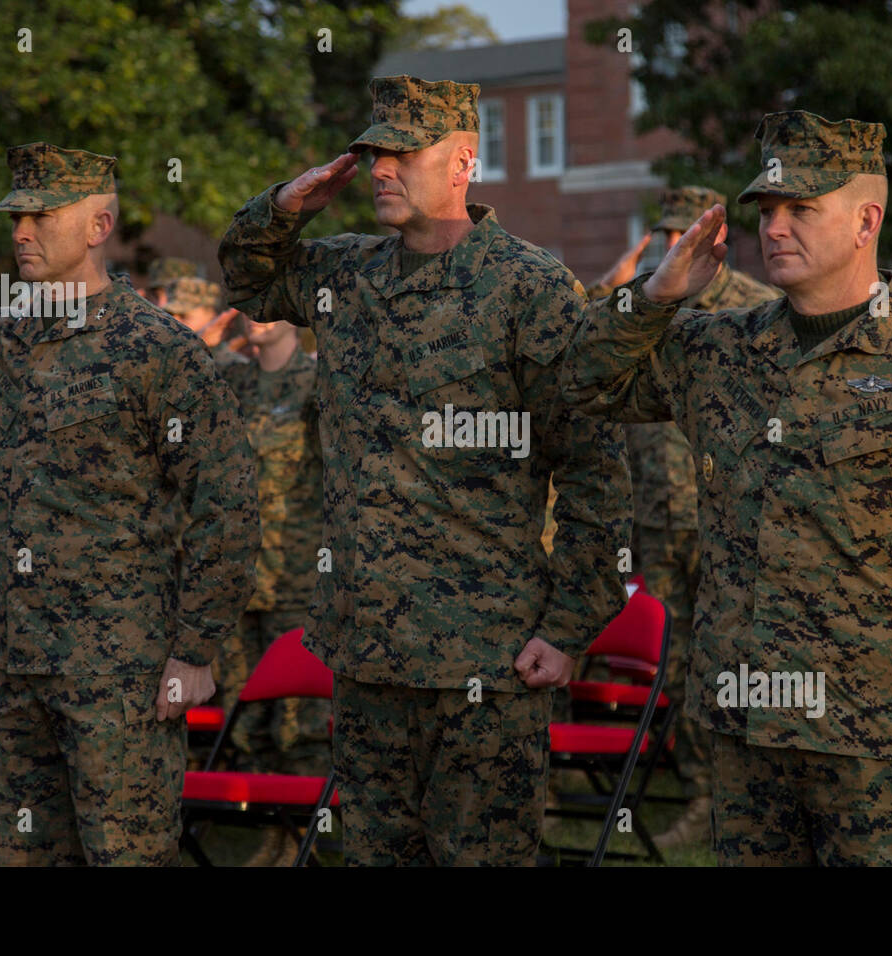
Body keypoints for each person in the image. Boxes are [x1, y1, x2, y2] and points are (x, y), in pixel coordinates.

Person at [560, 109, 892, 865]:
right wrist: (658, 297)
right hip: (747, 736)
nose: (776, 227)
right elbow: (583, 381)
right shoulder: (717, 349)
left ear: (866, 220)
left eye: (802, 208)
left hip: (884, 745)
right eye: (767, 209)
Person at [220, 74, 631, 865]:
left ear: (463, 160)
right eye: (373, 153)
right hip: (368, 649)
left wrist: (570, 624)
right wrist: (287, 205)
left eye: (404, 153)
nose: (381, 170)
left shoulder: (529, 285)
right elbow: (246, 276)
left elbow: (592, 465)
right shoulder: (345, 274)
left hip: (486, 656)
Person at [0, 143, 261, 865]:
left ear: (100, 224)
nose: (21, 231)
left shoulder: (154, 348)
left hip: (121, 671)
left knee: (125, 857)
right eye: (15, 215)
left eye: (42, 215)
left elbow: (224, 498)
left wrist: (196, 647)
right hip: (16, 663)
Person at [589, 185, 781, 848]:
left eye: (687, 233)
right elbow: (582, 354)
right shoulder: (647, 304)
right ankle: (700, 793)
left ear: (717, 237)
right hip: (660, 521)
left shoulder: (759, 309)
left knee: (738, 660)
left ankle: (750, 797)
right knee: (676, 666)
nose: (676, 245)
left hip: (731, 525)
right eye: (667, 233)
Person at [216, 314, 326, 783]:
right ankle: (265, 827)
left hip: (296, 573)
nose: (256, 316)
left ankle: (306, 827)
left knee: (300, 720)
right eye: (249, 304)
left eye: (270, 306)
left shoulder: (318, 380)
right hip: (237, 575)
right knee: (240, 714)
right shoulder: (231, 378)